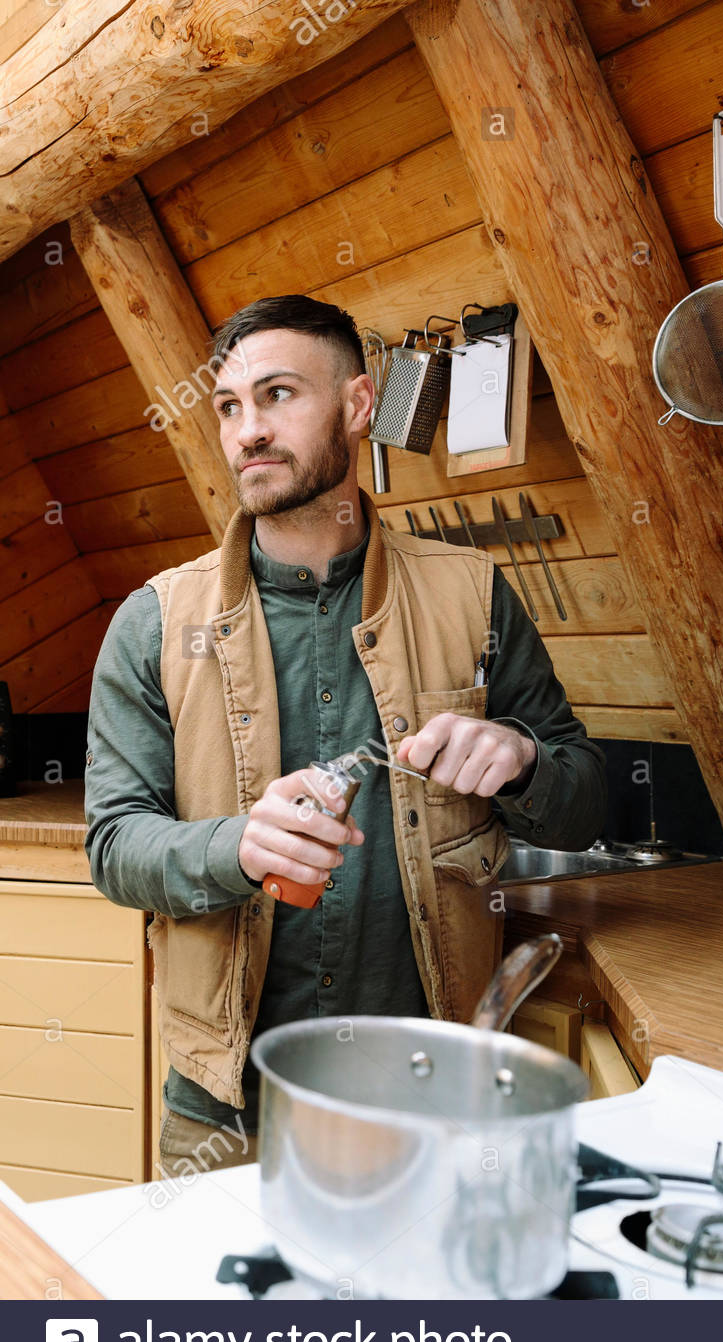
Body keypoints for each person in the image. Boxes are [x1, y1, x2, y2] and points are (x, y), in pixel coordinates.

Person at [84, 295, 606, 1179]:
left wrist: (523, 763)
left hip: (430, 1090)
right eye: (228, 406)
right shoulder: (152, 622)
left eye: (279, 394)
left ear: (360, 406)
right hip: (225, 1107)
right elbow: (114, 845)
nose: (248, 430)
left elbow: (582, 802)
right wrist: (235, 846)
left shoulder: (472, 594)